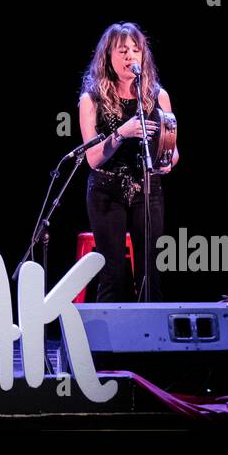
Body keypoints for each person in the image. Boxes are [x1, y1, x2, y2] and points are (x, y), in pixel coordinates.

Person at [78, 23, 179, 302]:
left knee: (150, 271)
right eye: (123, 51)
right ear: (108, 56)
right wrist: (121, 133)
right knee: (112, 271)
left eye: (136, 50)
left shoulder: (157, 96)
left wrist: (166, 162)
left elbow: (173, 149)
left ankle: (151, 341)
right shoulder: (92, 99)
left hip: (148, 190)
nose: (130, 57)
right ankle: (105, 343)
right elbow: (93, 158)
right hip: (107, 191)